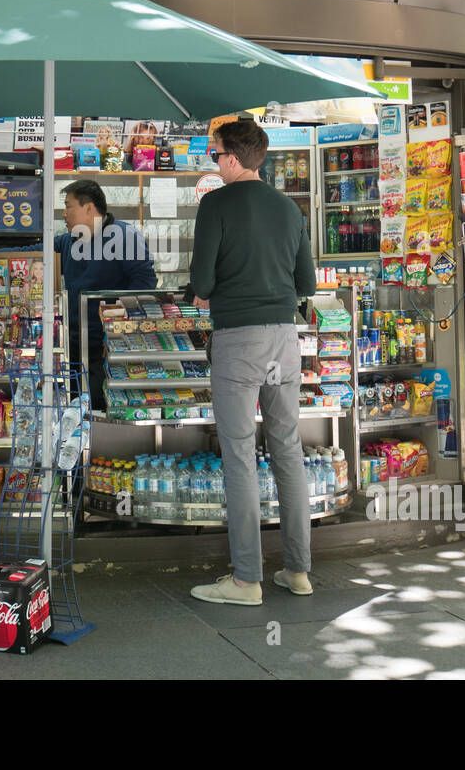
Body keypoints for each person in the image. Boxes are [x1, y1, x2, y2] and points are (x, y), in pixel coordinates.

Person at [187, 117, 316, 606]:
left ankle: (246, 581)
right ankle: (299, 571)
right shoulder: (288, 208)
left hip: (238, 340)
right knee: (287, 451)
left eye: (216, 154)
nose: (214, 162)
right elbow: (305, 284)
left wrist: (210, 294)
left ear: (234, 158)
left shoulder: (215, 204)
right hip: (285, 340)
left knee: (239, 456)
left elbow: (201, 283)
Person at [11, 180, 157, 410]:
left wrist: (117, 323)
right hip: (73, 349)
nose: (64, 213)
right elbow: (32, 253)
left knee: (100, 413)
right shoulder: (68, 241)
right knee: (73, 413)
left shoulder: (124, 235)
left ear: (88, 208)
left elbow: (145, 284)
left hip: (109, 349)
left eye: (68, 206)